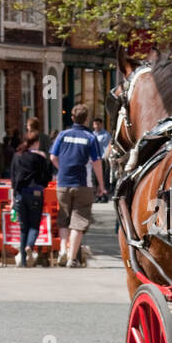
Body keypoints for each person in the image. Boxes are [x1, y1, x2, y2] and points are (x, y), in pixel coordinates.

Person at [49, 104, 104, 267]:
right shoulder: (90, 138)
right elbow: (96, 163)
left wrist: (63, 169)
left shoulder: (62, 135)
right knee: (78, 222)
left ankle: (62, 252)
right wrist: (101, 185)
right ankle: (72, 259)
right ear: (86, 119)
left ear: (72, 118)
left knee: (64, 220)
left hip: (63, 183)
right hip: (83, 184)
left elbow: (53, 157)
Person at [10, 131, 53, 267]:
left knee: (23, 228)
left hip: (20, 194)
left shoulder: (17, 156)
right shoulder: (39, 157)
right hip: (35, 193)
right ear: (36, 143)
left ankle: (23, 260)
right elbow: (47, 175)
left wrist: (13, 196)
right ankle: (30, 245)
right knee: (34, 226)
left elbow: (13, 177)